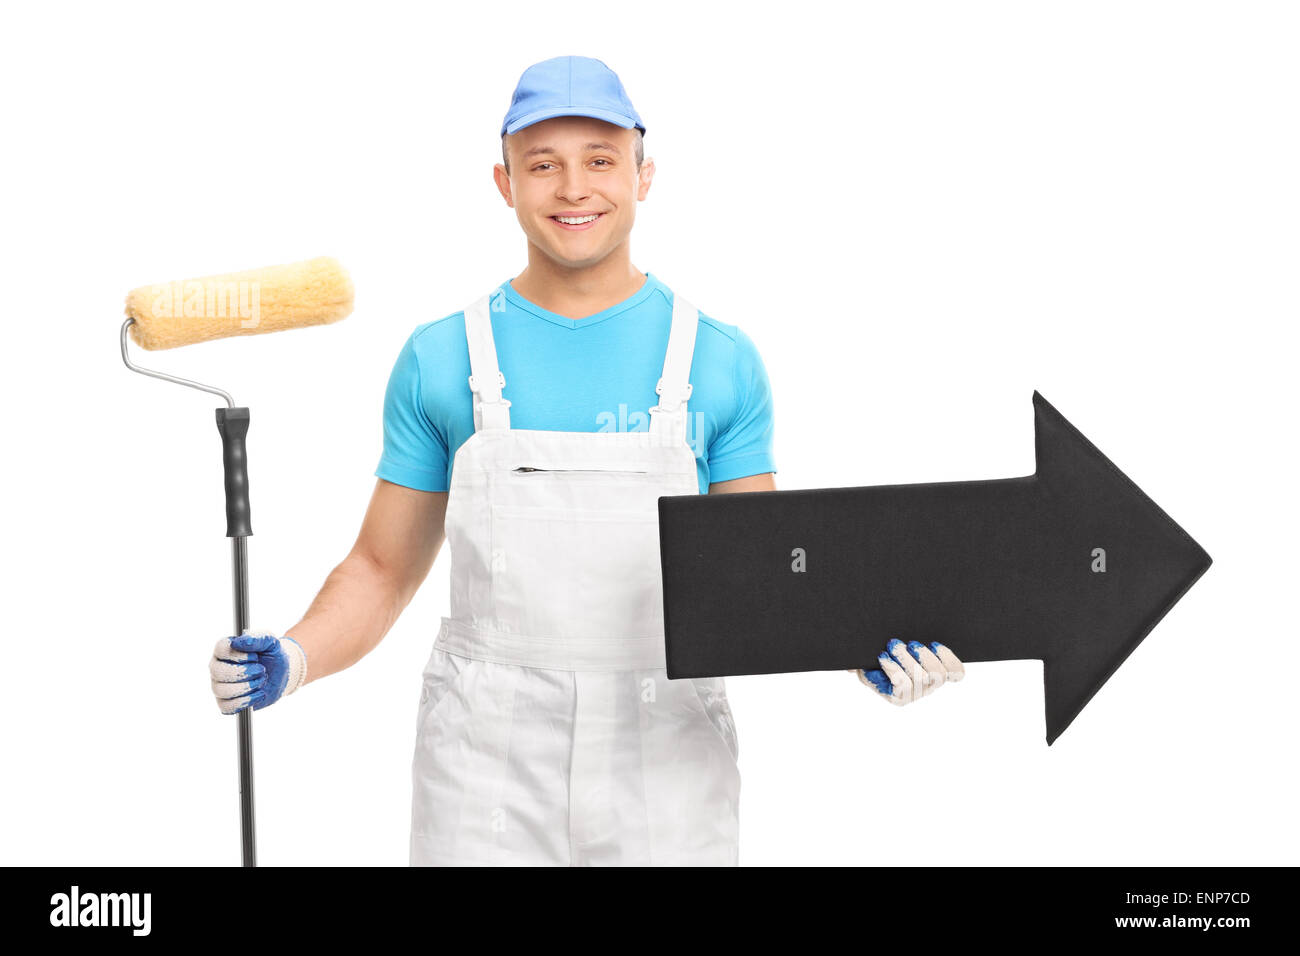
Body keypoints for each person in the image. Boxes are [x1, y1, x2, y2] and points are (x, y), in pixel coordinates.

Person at [208, 55, 964, 866]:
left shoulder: (717, 361)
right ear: (504, 182)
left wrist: (867, 646)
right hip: (484, 768)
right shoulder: (441, 358)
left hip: (668, 761)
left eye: (601, 160)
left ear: (645, 175)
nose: (574, 189)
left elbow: (773, 577)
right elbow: (382, 569)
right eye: (544, 164)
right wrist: (293, 657)